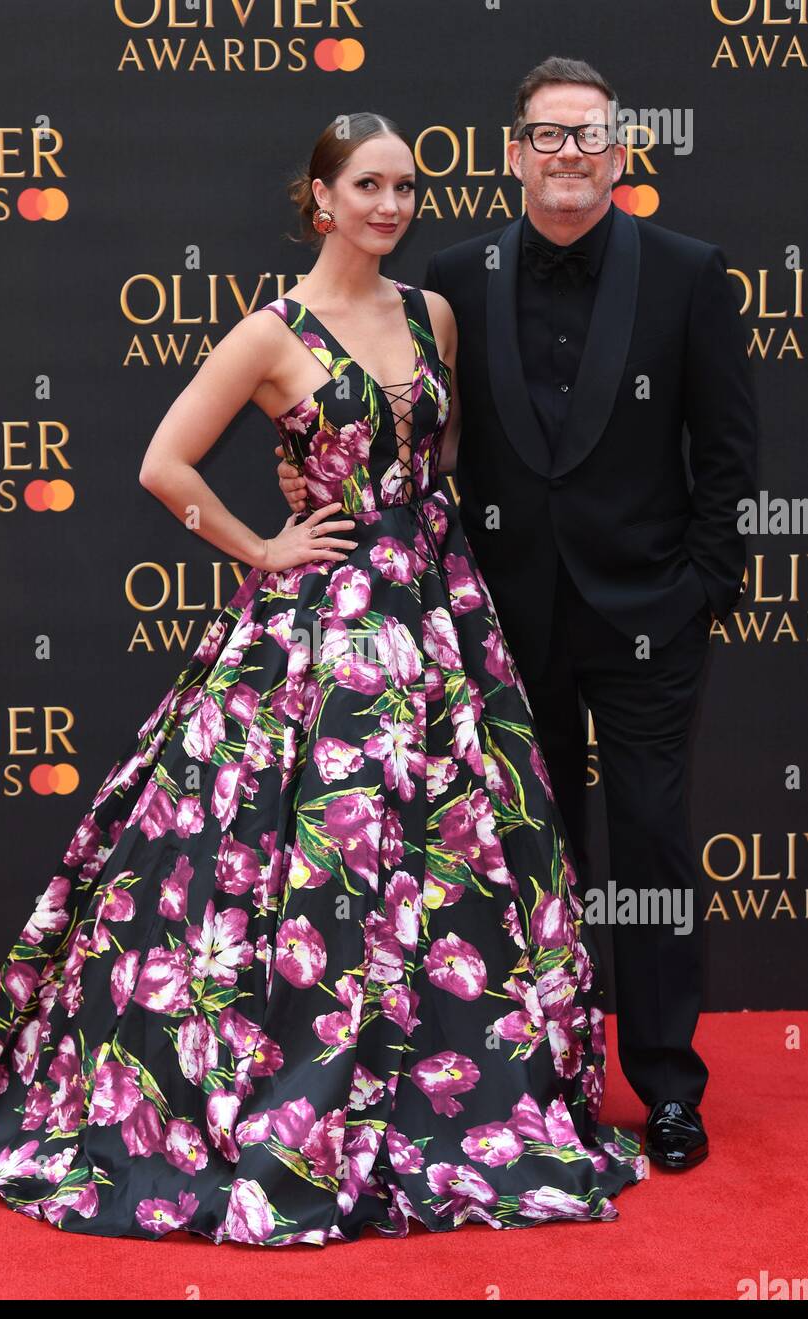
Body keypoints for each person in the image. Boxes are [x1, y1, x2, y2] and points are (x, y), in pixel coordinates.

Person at [0, 112, 643, 1248]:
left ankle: (448, 1090)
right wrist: (263, 546)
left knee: (461, 856)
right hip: (322, 631)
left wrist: (424, 554)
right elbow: (161, 463)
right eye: (369, 187)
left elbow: (434, 464)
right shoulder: (268, 334)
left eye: (405, 189)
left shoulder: (429, 313)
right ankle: (278, 1099)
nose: (390, 207)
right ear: (321, 199)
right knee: (307, 863)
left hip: (440, 620)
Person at [279, 62, 760, 1176]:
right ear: (511, 154)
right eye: (545, 137)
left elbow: (727, 454)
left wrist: (698, 591)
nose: (567, 155)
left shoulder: (687, 274)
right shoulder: (451, 279)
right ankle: (539, 1075)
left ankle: (664, 1081)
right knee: (519, 854)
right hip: (495, 622)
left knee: (645, 839)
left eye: (587, 136)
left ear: (619, 152)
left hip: (648, 619)